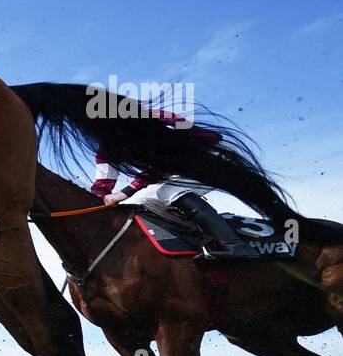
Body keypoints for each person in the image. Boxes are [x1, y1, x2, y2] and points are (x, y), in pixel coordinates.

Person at [91, 111, 257, 260]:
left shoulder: (150, 120)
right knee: (138, 202)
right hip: (181, 169)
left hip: (214, 156)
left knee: (169, 190)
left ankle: (235, 245)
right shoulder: (106, 150)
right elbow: (102, 185)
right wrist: (94, 201)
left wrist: (125, 192)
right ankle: (204, 240)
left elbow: (163, 165)